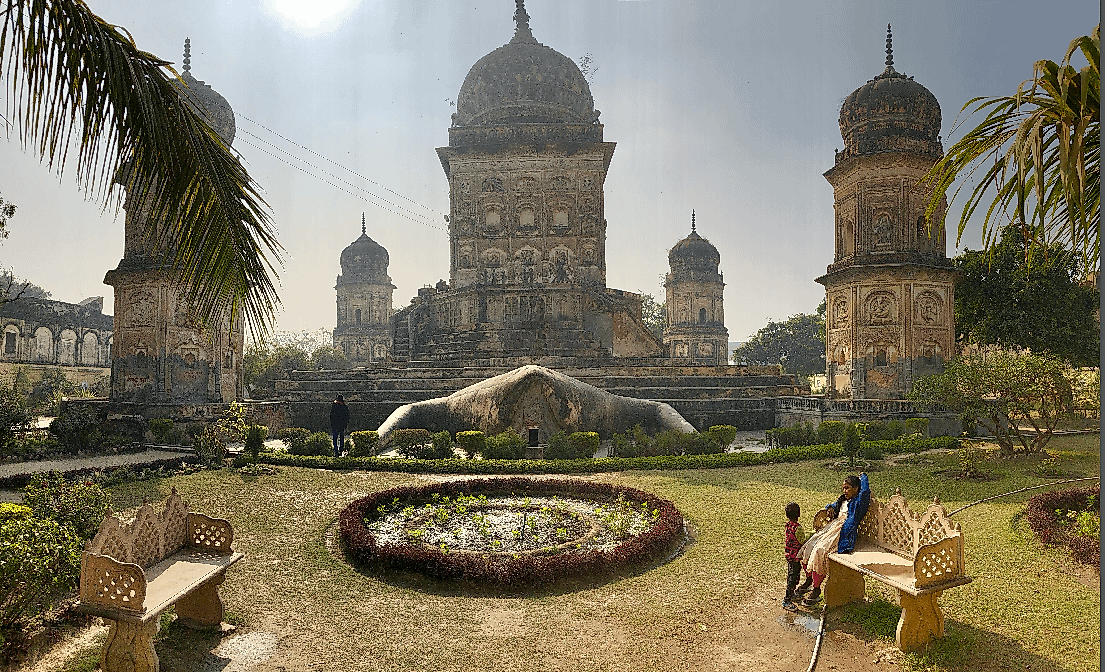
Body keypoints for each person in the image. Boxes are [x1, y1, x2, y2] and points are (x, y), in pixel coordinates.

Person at [797, 472, 870, 606]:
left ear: (856, 489)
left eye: (848, 488)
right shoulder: (843, 500)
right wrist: (830, 508)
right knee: (808, 547)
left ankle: (816, 588)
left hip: (842, 533)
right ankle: (809, 580)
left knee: (820, 551)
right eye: (843, 488)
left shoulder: (859, 502)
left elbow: (865, 492)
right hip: (830, 528)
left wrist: (863, 477)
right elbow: (833, 505)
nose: (845, 491)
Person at [782, 502, 808, 612]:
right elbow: (802, 540)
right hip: (795, 557)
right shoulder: (798, 528)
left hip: (789, 556)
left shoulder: (788, 526)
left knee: (794, 575)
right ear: (799, 514)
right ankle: (786, 600)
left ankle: (792, 595)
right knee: (792, 578)